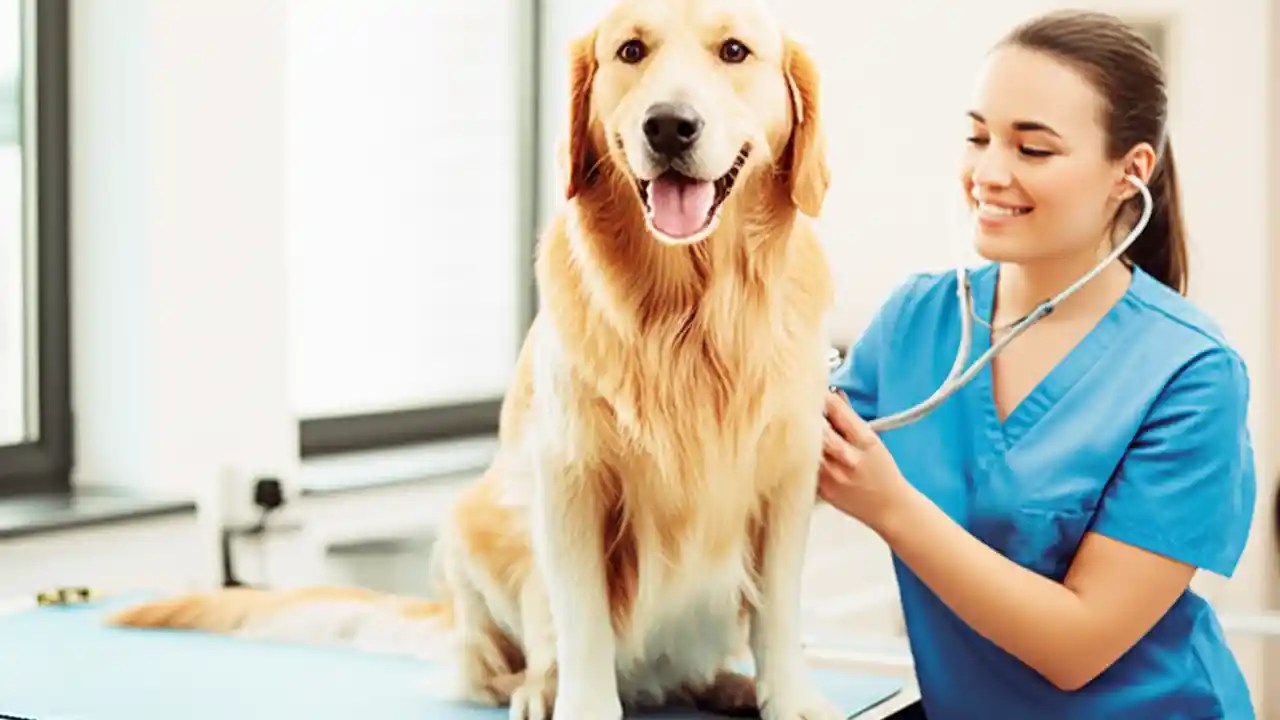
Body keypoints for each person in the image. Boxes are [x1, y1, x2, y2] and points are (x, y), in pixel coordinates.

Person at [820, 9, 1257, 719]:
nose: (989, 172)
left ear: (1130, 173)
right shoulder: (915, 322)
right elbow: (772, 469)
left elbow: (1077, 646)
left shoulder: (1191, 375)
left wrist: (890, 507)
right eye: (978, 137)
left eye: (1034, 150)